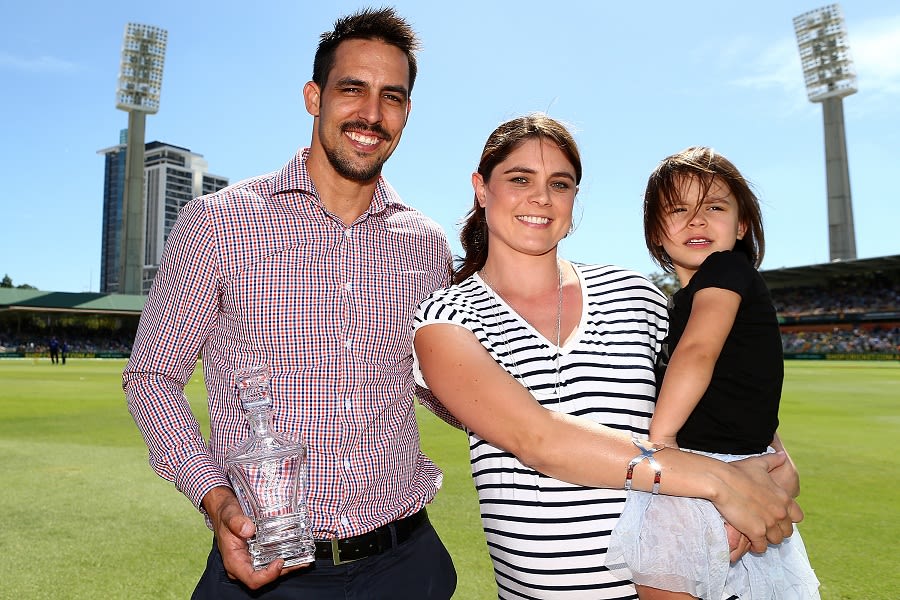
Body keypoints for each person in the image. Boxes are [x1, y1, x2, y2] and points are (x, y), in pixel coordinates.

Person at [123, 7, 457, 599]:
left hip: (405, 564)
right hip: (269, 566)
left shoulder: (426, 243)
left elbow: (444, 386)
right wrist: (214, 495)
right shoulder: (219, 222)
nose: (371, 114)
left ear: (407, 112)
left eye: (392, 97)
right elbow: (152, 378)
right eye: (351, 89)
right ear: (314, 97)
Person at [413, 115, 802, 599]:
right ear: (481, 188)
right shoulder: (445, 319)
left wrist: (773, 469)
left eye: (560, 183)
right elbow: (536, 438)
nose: (541, 197)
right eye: (519, 179)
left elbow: (721, 392)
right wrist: (722, 482)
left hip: (683, 584)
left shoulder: (636, 294)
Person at [605, 147, 821, 599]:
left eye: (715, 207)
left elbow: (699, 352)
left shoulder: (725, 271)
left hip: (708, 469)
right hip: (738, 466)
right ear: (656, 231)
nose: (697, 220)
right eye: (678, 209)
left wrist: (660, 444)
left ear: (741, 225)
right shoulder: (688, 298)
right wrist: (777, 453)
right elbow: (743, 378)